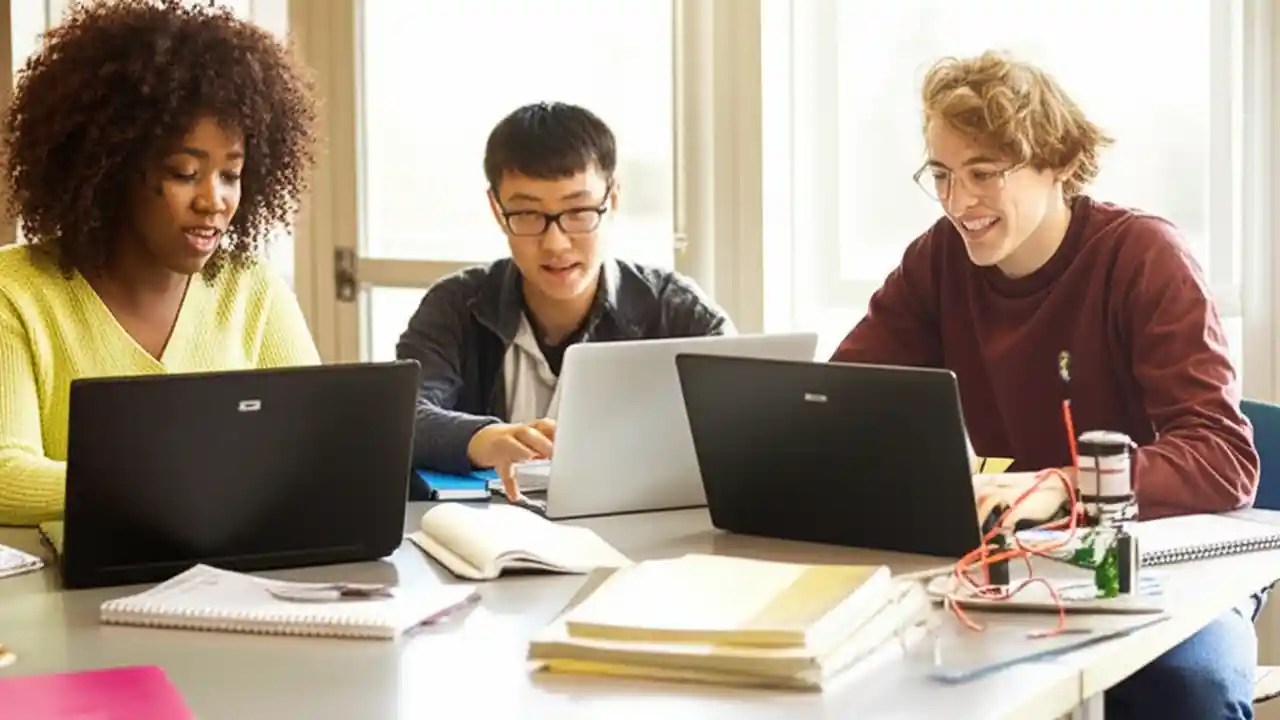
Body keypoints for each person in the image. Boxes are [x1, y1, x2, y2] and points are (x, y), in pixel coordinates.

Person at [832, 50, 1260, 718]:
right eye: (941, 175)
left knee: (1185, 689)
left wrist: (1057, 484)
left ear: (1058, 163)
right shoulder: (939, 260)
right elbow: (845, 402)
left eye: (983, 174)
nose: (956, 202)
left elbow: (1225, 458)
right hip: (1030, 564)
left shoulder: (1145, 257)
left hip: (1169, 557)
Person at [0, 0, 321, 526]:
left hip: (237, 593)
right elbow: (6, 475)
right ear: (110, 168)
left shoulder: (253, 291)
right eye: (183, 172)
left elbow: (318, 448)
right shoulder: (16, 293)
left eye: (231, 175)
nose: (213, 200)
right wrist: (183, 486)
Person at [397, 102, 731, 500]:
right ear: (497, 210)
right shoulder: (455, 305)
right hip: (484, 541)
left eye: (578, 211)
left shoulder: (680, 314)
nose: (555, 243)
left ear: (614, 198)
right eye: (527, 214)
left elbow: (739, 433)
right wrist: (484, 438)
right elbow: (401, 417)